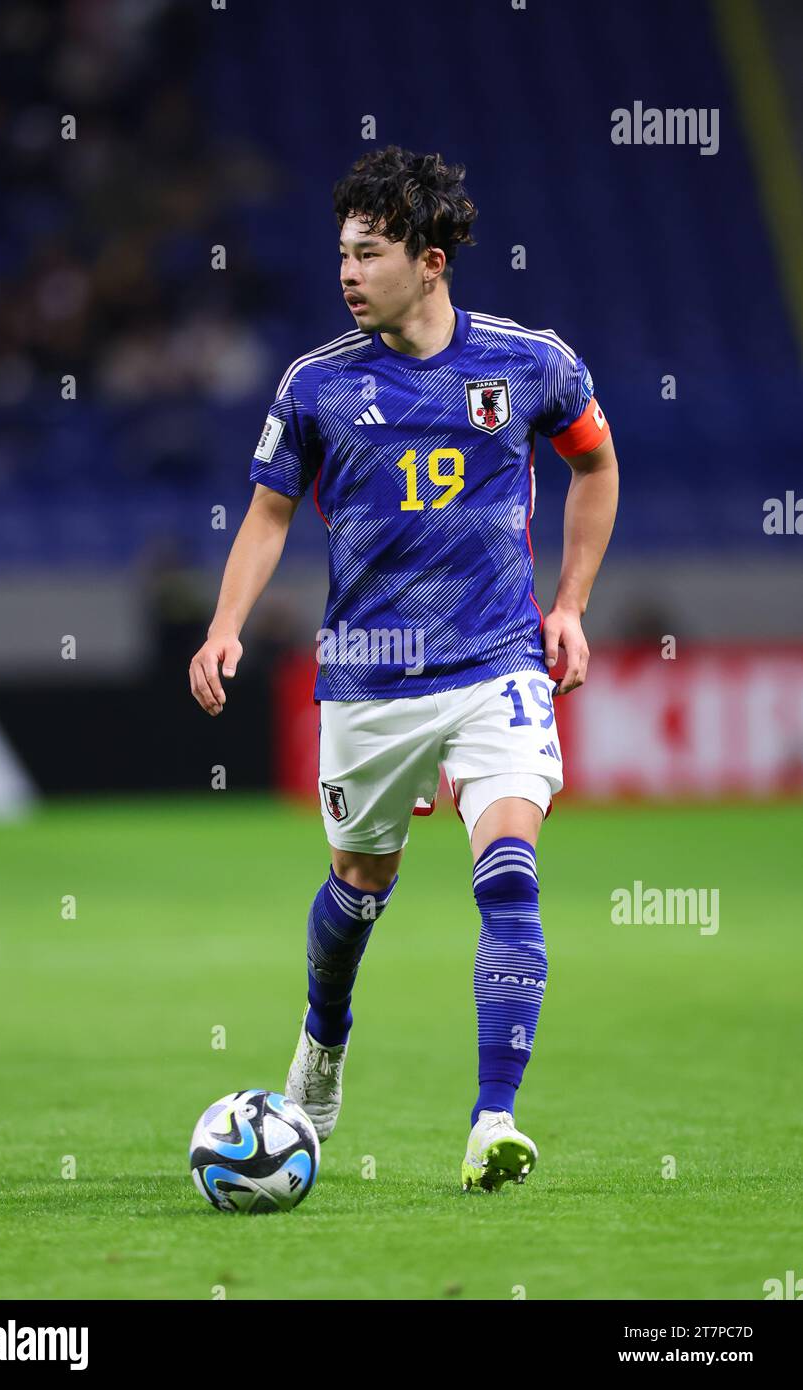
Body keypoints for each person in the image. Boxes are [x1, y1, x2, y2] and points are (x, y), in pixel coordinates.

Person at [189, 146, 619, 1192]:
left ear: (430, 262)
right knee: (359, 884)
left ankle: (491, 1120)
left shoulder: (529, 364)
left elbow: (593, 462)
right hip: (368, 683)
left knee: (508, 877)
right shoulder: (317, 385)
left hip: (495, 665)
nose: (346, 271)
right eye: (340, 251)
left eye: (367, 252)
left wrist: (566, 605)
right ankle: (322, 1047)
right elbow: (268, 515)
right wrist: (224, 625)